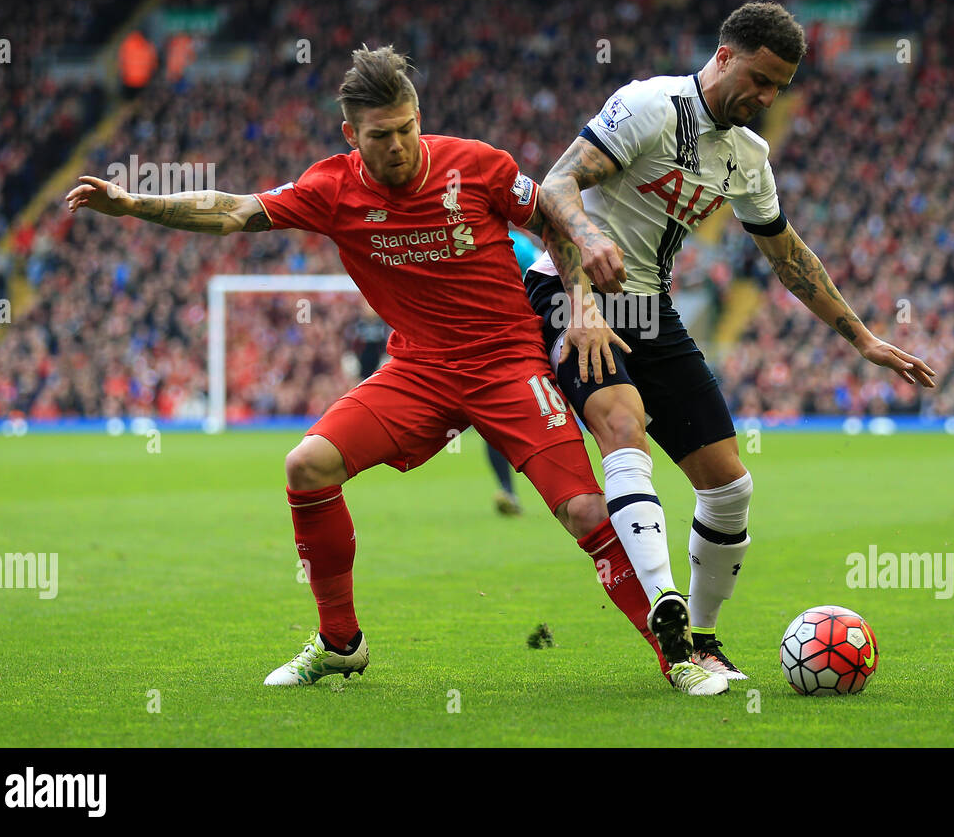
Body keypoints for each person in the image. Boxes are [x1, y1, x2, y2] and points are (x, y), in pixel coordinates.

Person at [66, 44, 727, 695]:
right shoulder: (331, 188)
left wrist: (582, 302)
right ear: (351, 134)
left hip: (508, 362)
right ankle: (340, 644)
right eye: (380, 136)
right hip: (419, 370)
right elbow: (237, 210)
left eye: (407, 128)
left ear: (419, 115)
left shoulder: (479, 165)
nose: (398, 146)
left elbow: (554, 218)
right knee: (307, 465)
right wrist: (136, 205)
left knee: (585, 509)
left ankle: (677, 660)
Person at [527, 2, 936, 680]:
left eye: (781, 87)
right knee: (623, 427)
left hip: (649, 308)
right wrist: (584, 284)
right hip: (574, 293)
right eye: (761, 78)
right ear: (724, 57)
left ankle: (705, 636)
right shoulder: (648, 106)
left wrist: (862, 337)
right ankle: (669, 615)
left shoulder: (749, 155)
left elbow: (786, 255)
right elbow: (555, 185)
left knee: (730, 490)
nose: (768, 97)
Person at [488, 228, 543, 516]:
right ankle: (508, 490)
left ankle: (509, 489)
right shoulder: (520, 244)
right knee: (495, 421)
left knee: (495, 421)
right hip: (506, 341)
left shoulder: (517, 245)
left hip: (513, 339)